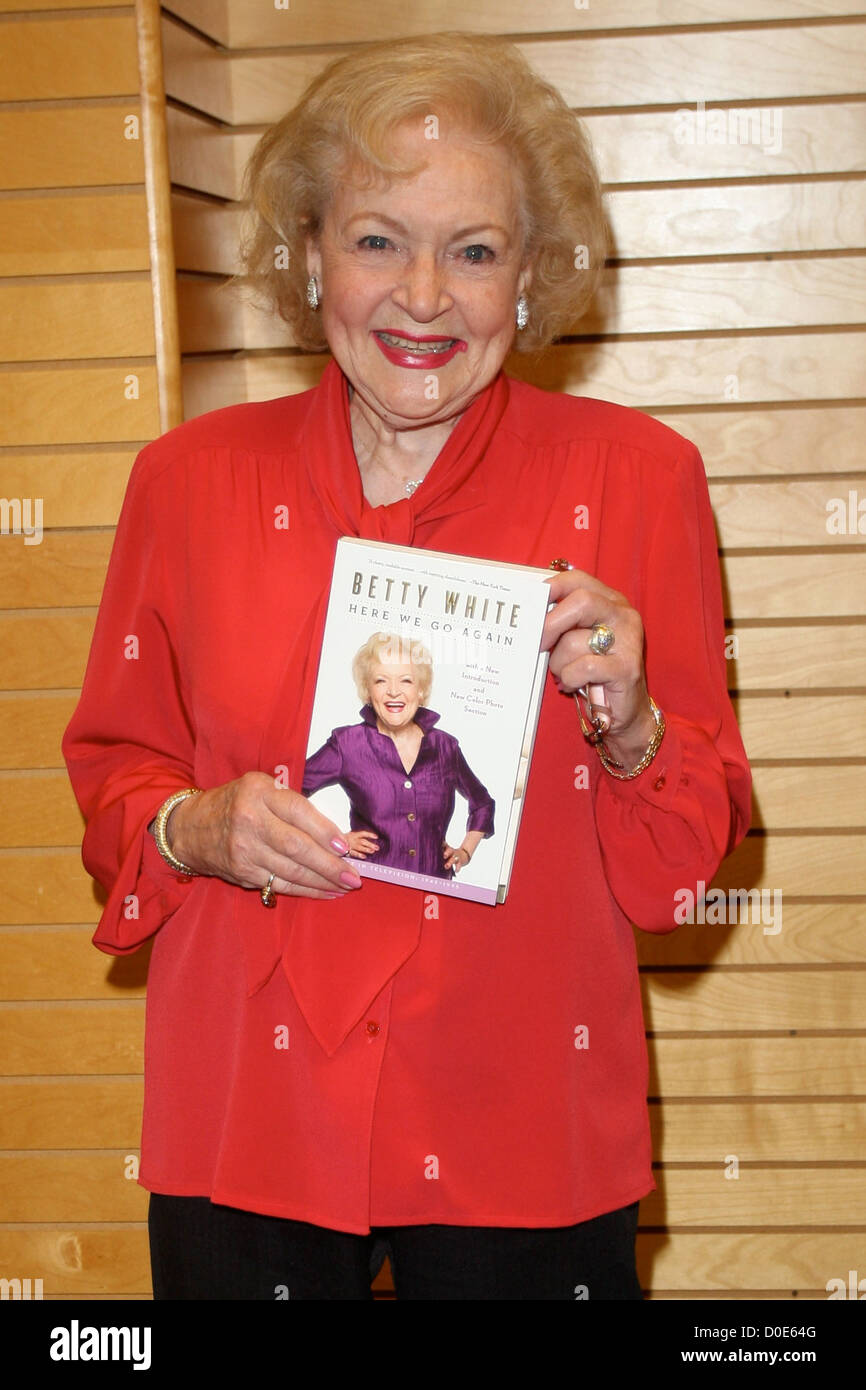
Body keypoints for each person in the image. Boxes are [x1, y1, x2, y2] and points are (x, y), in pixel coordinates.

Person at [62, 32, 751, 1300]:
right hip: (247, 1125)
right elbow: (116, 778)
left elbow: (680, 871)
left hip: (520, 1138)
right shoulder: (187, 483)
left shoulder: (639, 479)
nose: (422, 296)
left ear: (528, 276)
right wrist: (191, 825)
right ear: (308, 251)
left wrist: (630, 725)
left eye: (474, 251)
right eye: (377, 240)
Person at [303, 632, 495, 879]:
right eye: (381, 681)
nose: (393, 691)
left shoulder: (445, 747)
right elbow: (287, 791)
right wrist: (333, 839)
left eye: (406, 681)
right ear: (368, 690)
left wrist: (465, 852)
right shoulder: (347, 743)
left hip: (433, 886)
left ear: (421, 690)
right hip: (367, 887)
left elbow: (483, 804)